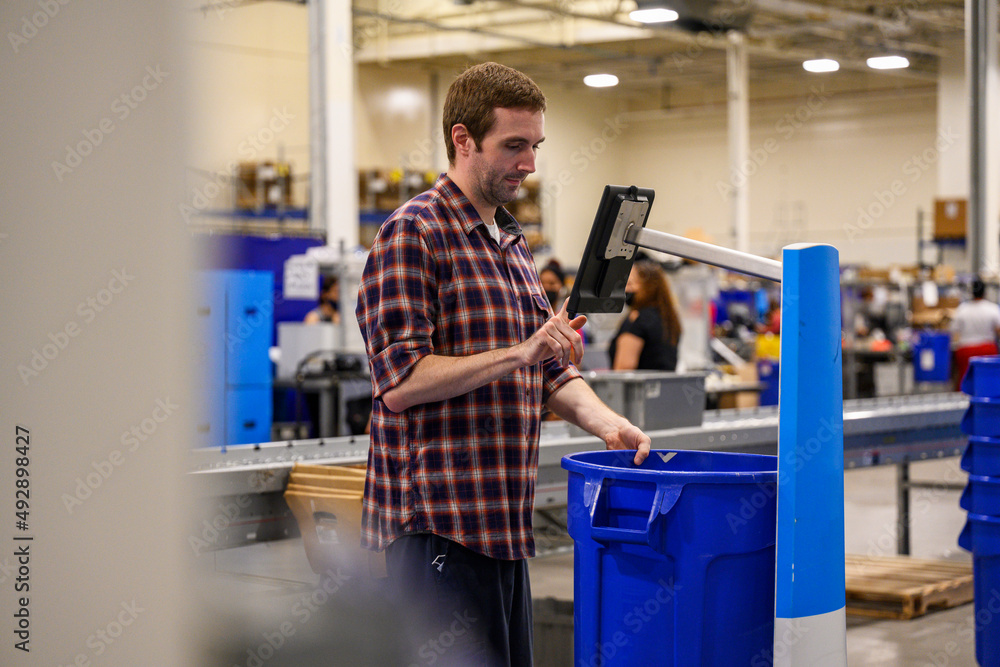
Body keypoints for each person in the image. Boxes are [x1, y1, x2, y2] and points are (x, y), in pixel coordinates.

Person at [355, 61, 651, 666]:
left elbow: (549, 369)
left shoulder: (512, 244)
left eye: (536, 146)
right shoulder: (412, 233)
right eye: (514, 145)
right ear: (463, 139)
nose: (530, 163)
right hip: (439, 528)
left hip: (503, 524)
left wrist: (607, 425)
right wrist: (521, 351)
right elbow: (401, 382)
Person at [609, 260, 683, 371]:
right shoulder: (668, 318)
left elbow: (624, 367)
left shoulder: (637, 319)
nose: (626, 289)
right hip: (666, 381)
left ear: (648, 287)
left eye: (630, 284)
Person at [951, 277, 1000, 389]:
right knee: (987, 383)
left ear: (971, 293)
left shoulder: (962, 309)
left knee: (966, 382)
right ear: (985, 292)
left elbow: (954, 333)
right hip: (987, 350)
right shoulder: (992, 309)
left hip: (966, 350)